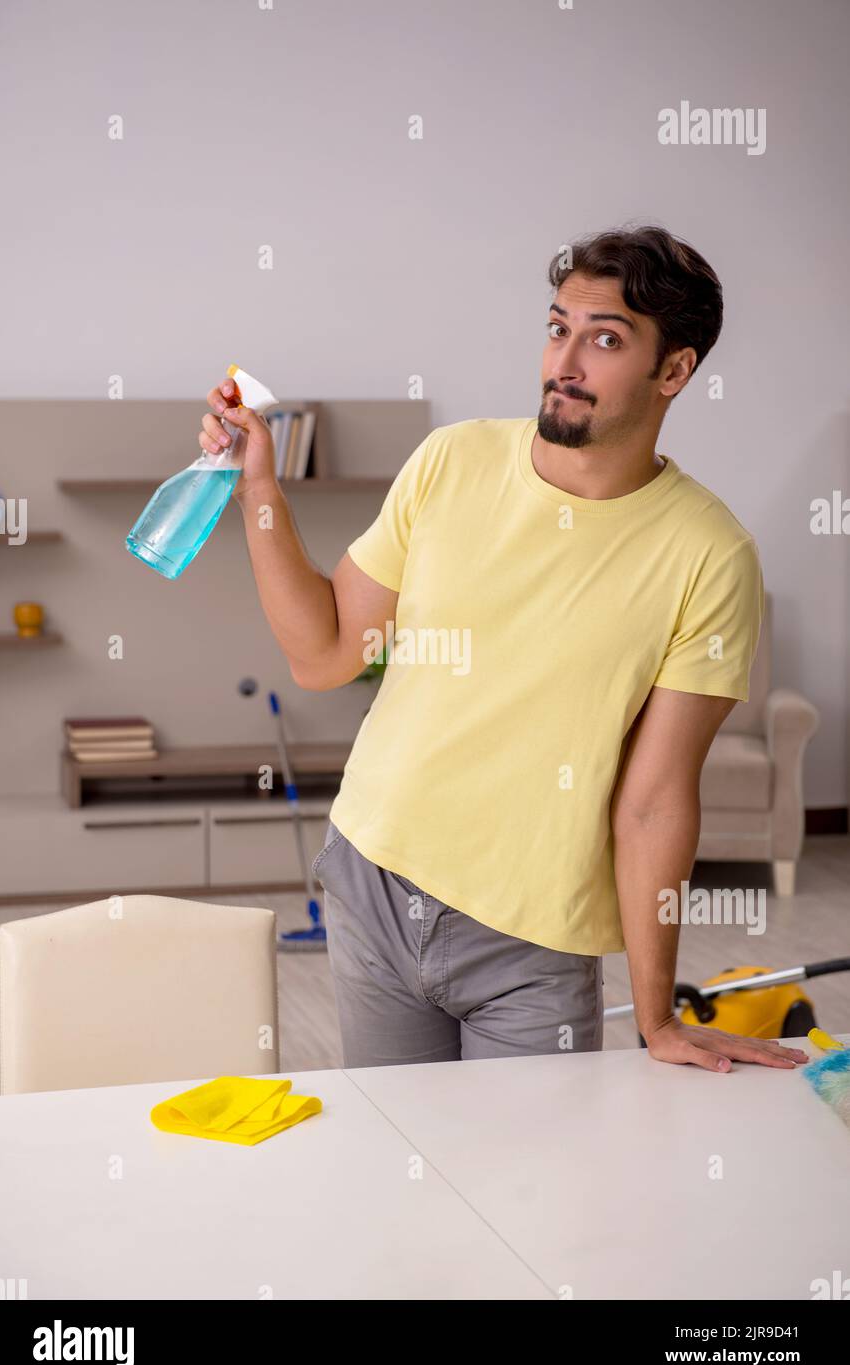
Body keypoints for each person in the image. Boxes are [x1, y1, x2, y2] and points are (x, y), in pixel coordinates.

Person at [199, 224, 808, 1076]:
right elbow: (326, 653)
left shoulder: (709, 555)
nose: (566, 361)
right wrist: (257, 485)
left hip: (532, 937)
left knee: (528, 1193)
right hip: (374, 877)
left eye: (605, 340)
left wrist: (657, 1013)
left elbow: (654, 800)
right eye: (558, 327)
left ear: (673, 370)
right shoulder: (452, 461)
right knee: (398, 1168)